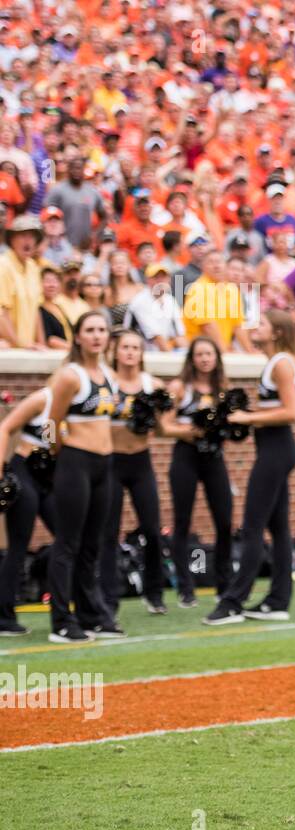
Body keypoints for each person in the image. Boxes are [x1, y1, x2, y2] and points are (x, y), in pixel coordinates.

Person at [203, 311, 295, 625]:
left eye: (261, 324)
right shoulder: (276, 362)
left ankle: (233, 601)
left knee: (252, 525)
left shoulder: (282, 363)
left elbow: (292, 411)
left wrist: (247, 418)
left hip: (277, 448)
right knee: (278, 527)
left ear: (276, 332)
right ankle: (278, 600)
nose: (254, 328)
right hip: (274, 447)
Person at [43, 311, 122, 642]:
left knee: (93, 544)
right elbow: (50, 423)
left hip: (104, 466)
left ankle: (91, 615)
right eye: (89, 330)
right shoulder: (70, 376)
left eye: (102, 330)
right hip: (75, 463)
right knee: (68, 544)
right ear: (77, 336)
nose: (97, 335)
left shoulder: (108, 373)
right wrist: (56, 455)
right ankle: (62, 620)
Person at [160, 337, 234, 609]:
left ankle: (224, 583)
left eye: (209, 354)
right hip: (186, 456)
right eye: (199, 354)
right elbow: (164, 427)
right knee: (182, 521)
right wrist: (194, 431)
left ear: (216, 358)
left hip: (214, 458)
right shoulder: (179, 387)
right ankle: (185, 588)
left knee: (225, 520)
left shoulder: (222, 388)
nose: (205, 359)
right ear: (191, 358)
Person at [99, 330, 166, 616]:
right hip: (111, 462)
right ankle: (108, 598)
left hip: (141, 461)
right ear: (115, 351)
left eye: (135, 348)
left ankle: (155, 594)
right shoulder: (104, 383)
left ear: (142, 353)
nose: (129, 352)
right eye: (125, 347)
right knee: (108, 532)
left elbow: (163, 428)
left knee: (152, 529)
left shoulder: (152, 384)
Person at [0, 386, 58, 635]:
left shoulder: (69, 406)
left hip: (47, 475)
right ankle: (3, 616)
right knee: (18, 545)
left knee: (68, 537)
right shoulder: (41, 398)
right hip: (23, 471)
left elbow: (55, 444)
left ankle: (68, 606)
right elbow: (5, 428)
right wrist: (1, 472)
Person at [0, 213, 48, 348]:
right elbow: (1, 315)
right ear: (12, 240)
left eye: (32, 236)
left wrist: (41, 344)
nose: (28, 241)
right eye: (23, 235)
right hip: (6, 350)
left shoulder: (33, 267)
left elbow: (36, 311)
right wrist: (21, 345)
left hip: (26, 350)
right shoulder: (3, 266)